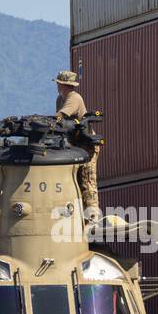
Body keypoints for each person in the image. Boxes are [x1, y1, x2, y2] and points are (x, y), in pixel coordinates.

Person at [53, 71, 99, 213]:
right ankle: (78, 212)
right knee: (74, 180)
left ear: (62, 84)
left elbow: (60, 116)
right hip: (74, 145)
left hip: (86, 145)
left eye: (59, 83)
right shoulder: (60, 99)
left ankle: (92, 214)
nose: (58, 86)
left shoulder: (74, 98)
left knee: (87, 179)